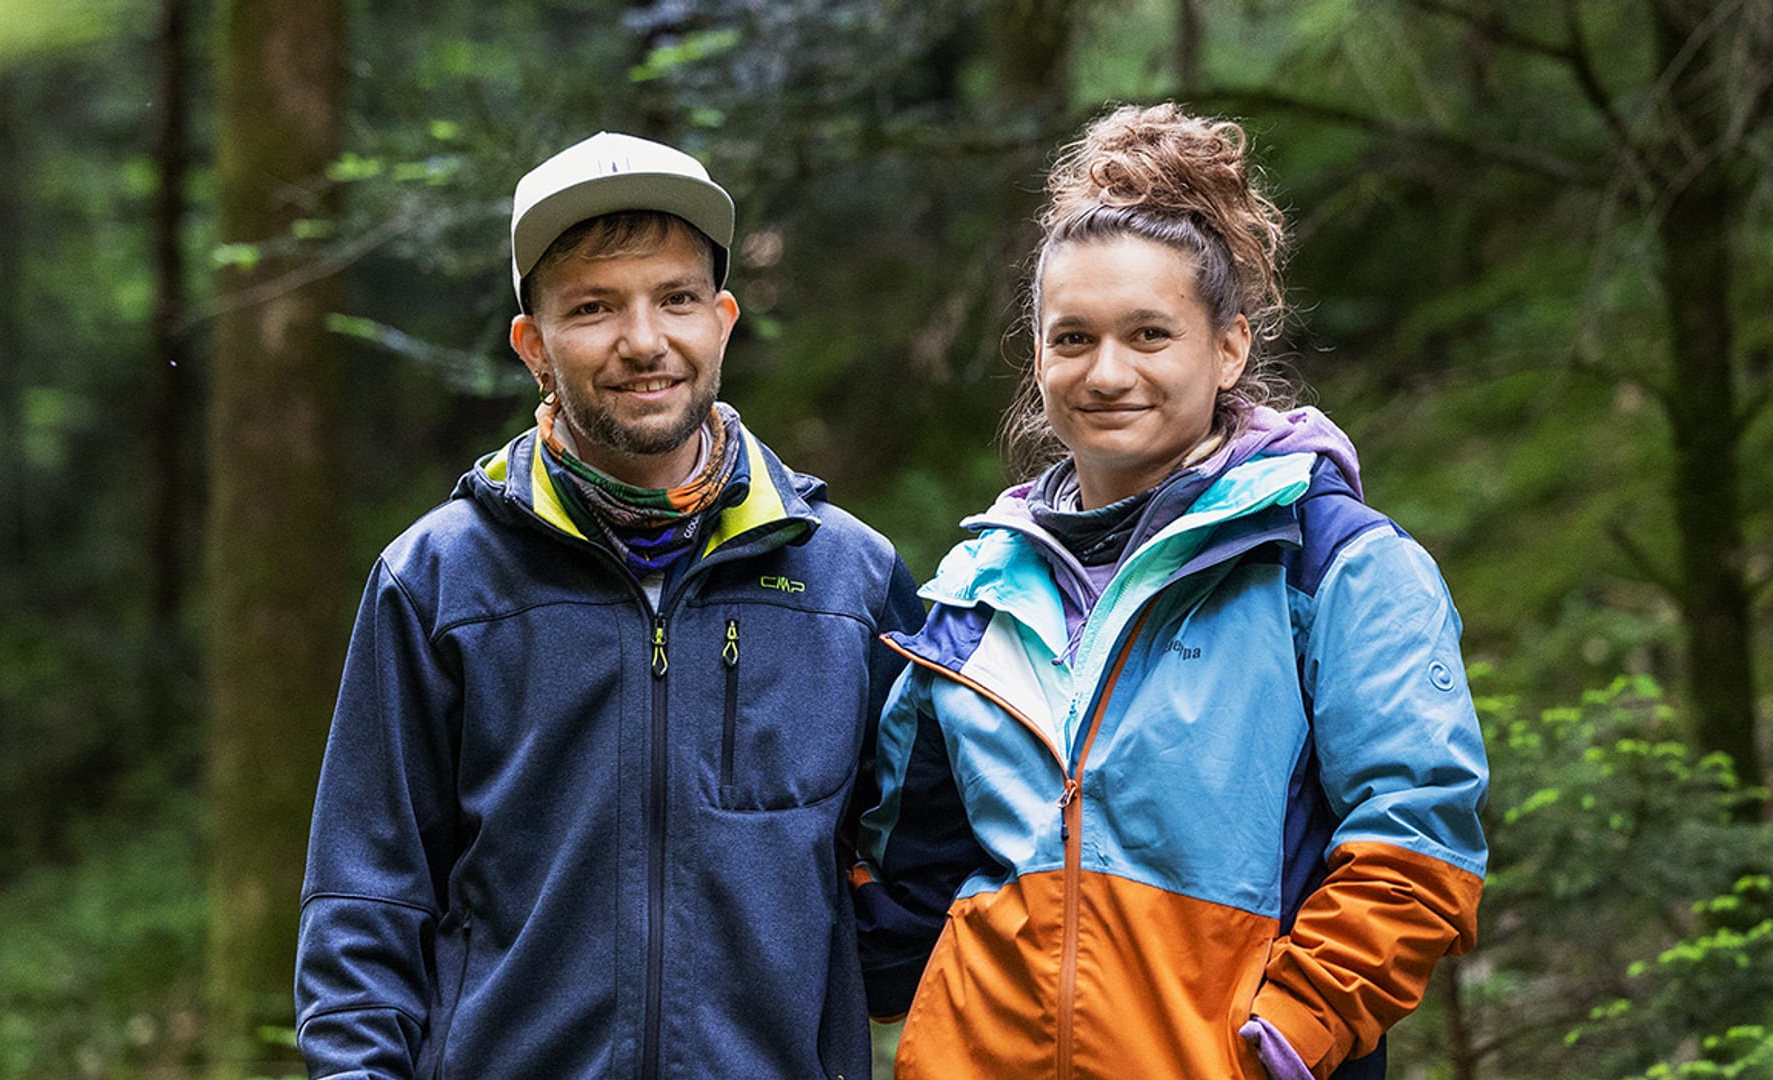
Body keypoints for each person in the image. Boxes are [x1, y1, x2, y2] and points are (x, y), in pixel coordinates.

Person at [852, 103, 1488, 1079]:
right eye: (1073, 339)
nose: (1108, 373)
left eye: (1150, 333)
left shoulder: (1332, 565)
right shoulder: (973, 596)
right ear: (1037, 356)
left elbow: (1417, 846)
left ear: (1228, 348)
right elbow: (906, 888)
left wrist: (1285, 1042)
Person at [294, 130, 922, 1079]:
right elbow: (365, 904)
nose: (643, 341)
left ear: (722, 319)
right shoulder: (438, 584)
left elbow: (926, 883)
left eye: (675, 299)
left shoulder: (848, 583)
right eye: (594, 307)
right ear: (533, 345)